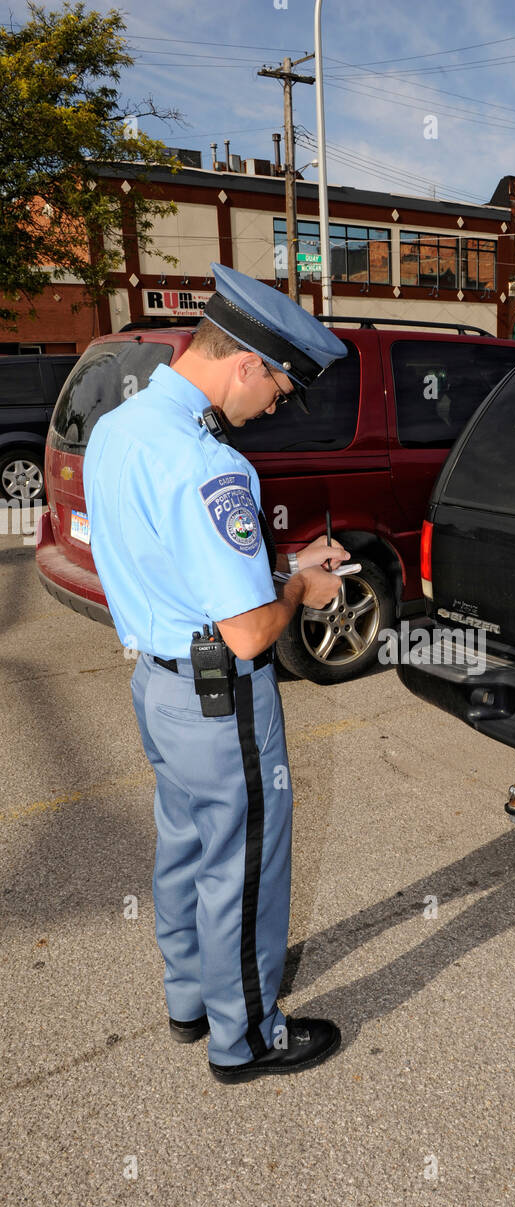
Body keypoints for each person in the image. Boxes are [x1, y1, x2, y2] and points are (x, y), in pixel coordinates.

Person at [83, 263, 349, 1084]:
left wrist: (274, 563)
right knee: (245, 869)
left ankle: (189, 1004)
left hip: (157, 689)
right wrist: (302, 586)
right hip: (220, 704)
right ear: (245, 363)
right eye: (276, 389)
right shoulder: (214, 467)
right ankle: (248, 1040)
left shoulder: (116, 429)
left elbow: (180, 564)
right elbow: (248, 634)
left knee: (185, 848)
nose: (272, 407)